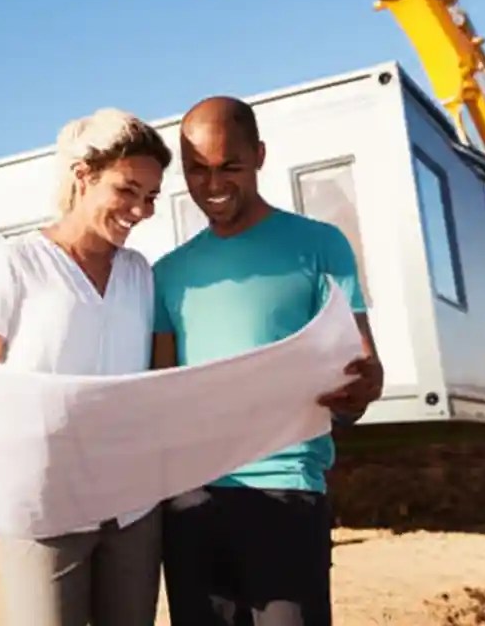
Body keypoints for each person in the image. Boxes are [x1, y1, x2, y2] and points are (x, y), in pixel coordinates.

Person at [0, 107, 173, 626]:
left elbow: (158, 384)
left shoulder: (141, 274)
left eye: (151, 197)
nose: (141, 210)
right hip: (45, 505)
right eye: (128, 190)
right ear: (83, 176)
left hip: (132, 507)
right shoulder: (16, 264)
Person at [151, 96, 384, 626]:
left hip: (287, 490)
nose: (212, 185)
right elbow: (160, 392)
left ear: (258, 155)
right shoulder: (167, 273)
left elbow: (363, 362)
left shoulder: (321, 246)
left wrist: (363, 386)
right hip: (192, 500)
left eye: (229, 166)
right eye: (196, 170)